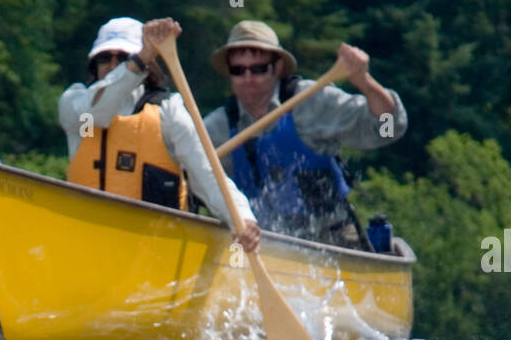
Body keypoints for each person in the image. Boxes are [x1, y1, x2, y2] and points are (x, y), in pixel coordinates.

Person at [58, 16, 260, 252]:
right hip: (86, 247)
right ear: (94, 64)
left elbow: (207, 176)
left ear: (147, 67)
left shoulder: (170, 112)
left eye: (123, 57)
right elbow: (98, 113)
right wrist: (139, 58)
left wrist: (241, 216)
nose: (113, 66)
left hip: (153, 252)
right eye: (104, 58)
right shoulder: (77, 107)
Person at [203, 21, 407, 247]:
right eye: (238, 70)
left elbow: (388, 128)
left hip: (333, 238)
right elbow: (191, 180)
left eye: (258, 69)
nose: (248, 78)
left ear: (277, 67)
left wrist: (364, 81)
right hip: (258, 245)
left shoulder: (312, 102)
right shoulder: (217, 128)